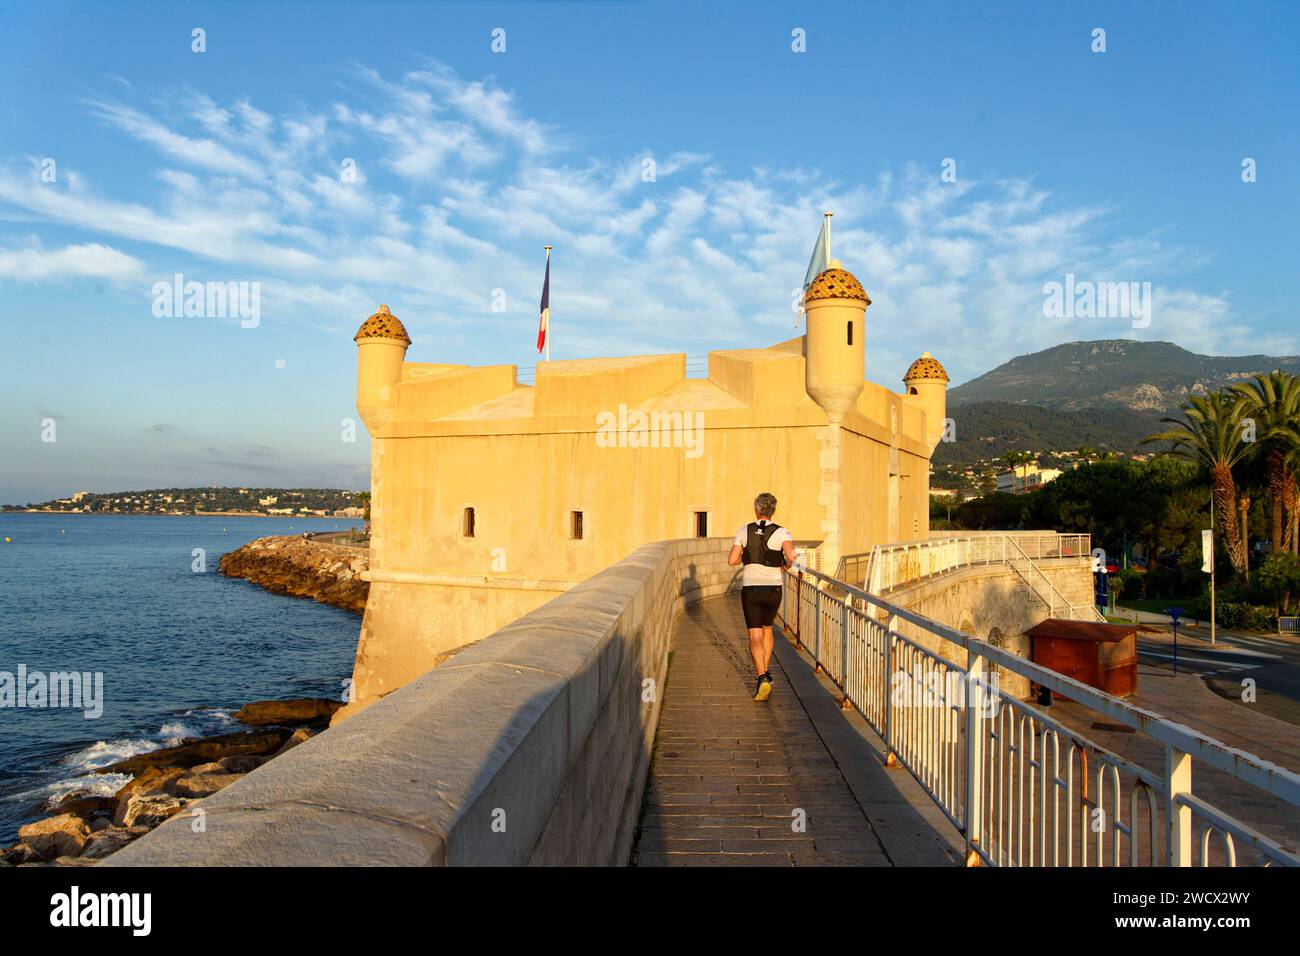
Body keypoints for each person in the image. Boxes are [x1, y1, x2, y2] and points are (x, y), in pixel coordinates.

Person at [728, 492, 796, 701]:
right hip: (774, 589)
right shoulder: (783, 532)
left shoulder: (744, 531)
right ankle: (765, 671)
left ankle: (761, 677)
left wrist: (746, 556)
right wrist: (784, 566)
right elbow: (792, 556)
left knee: (754, 635)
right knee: (768, 629)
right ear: (773, 510)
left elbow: (732, 560)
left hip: (752, 590)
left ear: (756, 509)